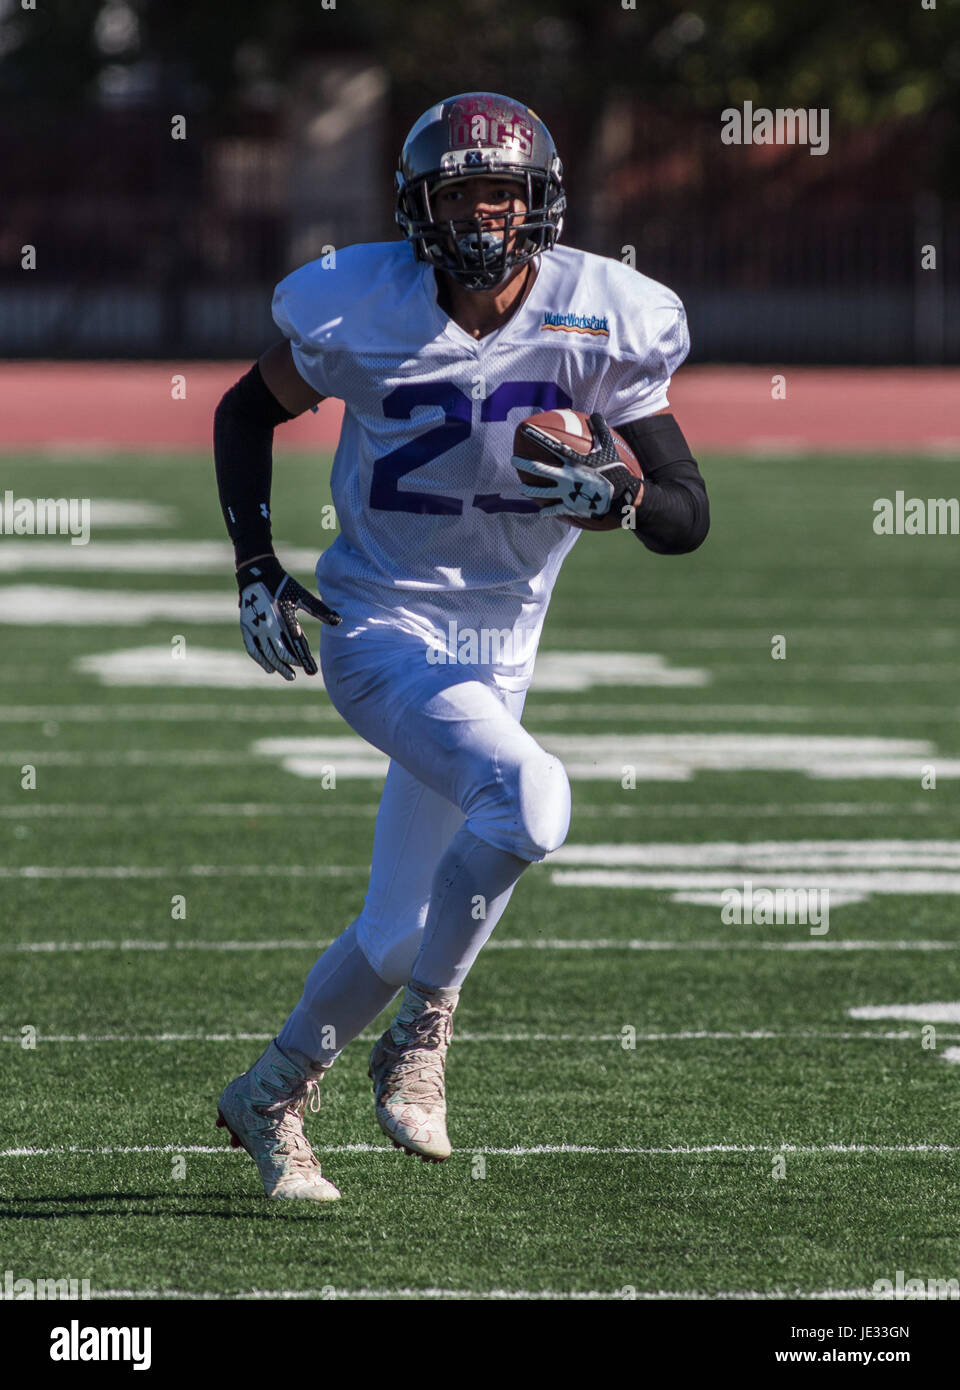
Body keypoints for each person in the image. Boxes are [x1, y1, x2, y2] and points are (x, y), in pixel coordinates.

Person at [212, 92, 709, 1201]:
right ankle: (423, 1039)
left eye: (504, 192)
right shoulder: (364, 306)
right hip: (379, 625)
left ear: (541, 204)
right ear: (417, 205)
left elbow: (687, 509)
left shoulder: (598, 313)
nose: (485, 215)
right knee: (534, 798)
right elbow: (246, 410)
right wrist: (255, 562)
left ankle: (272, 1087)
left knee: (395, 935)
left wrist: (619, 496)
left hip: (499, 650)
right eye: (461, 192)